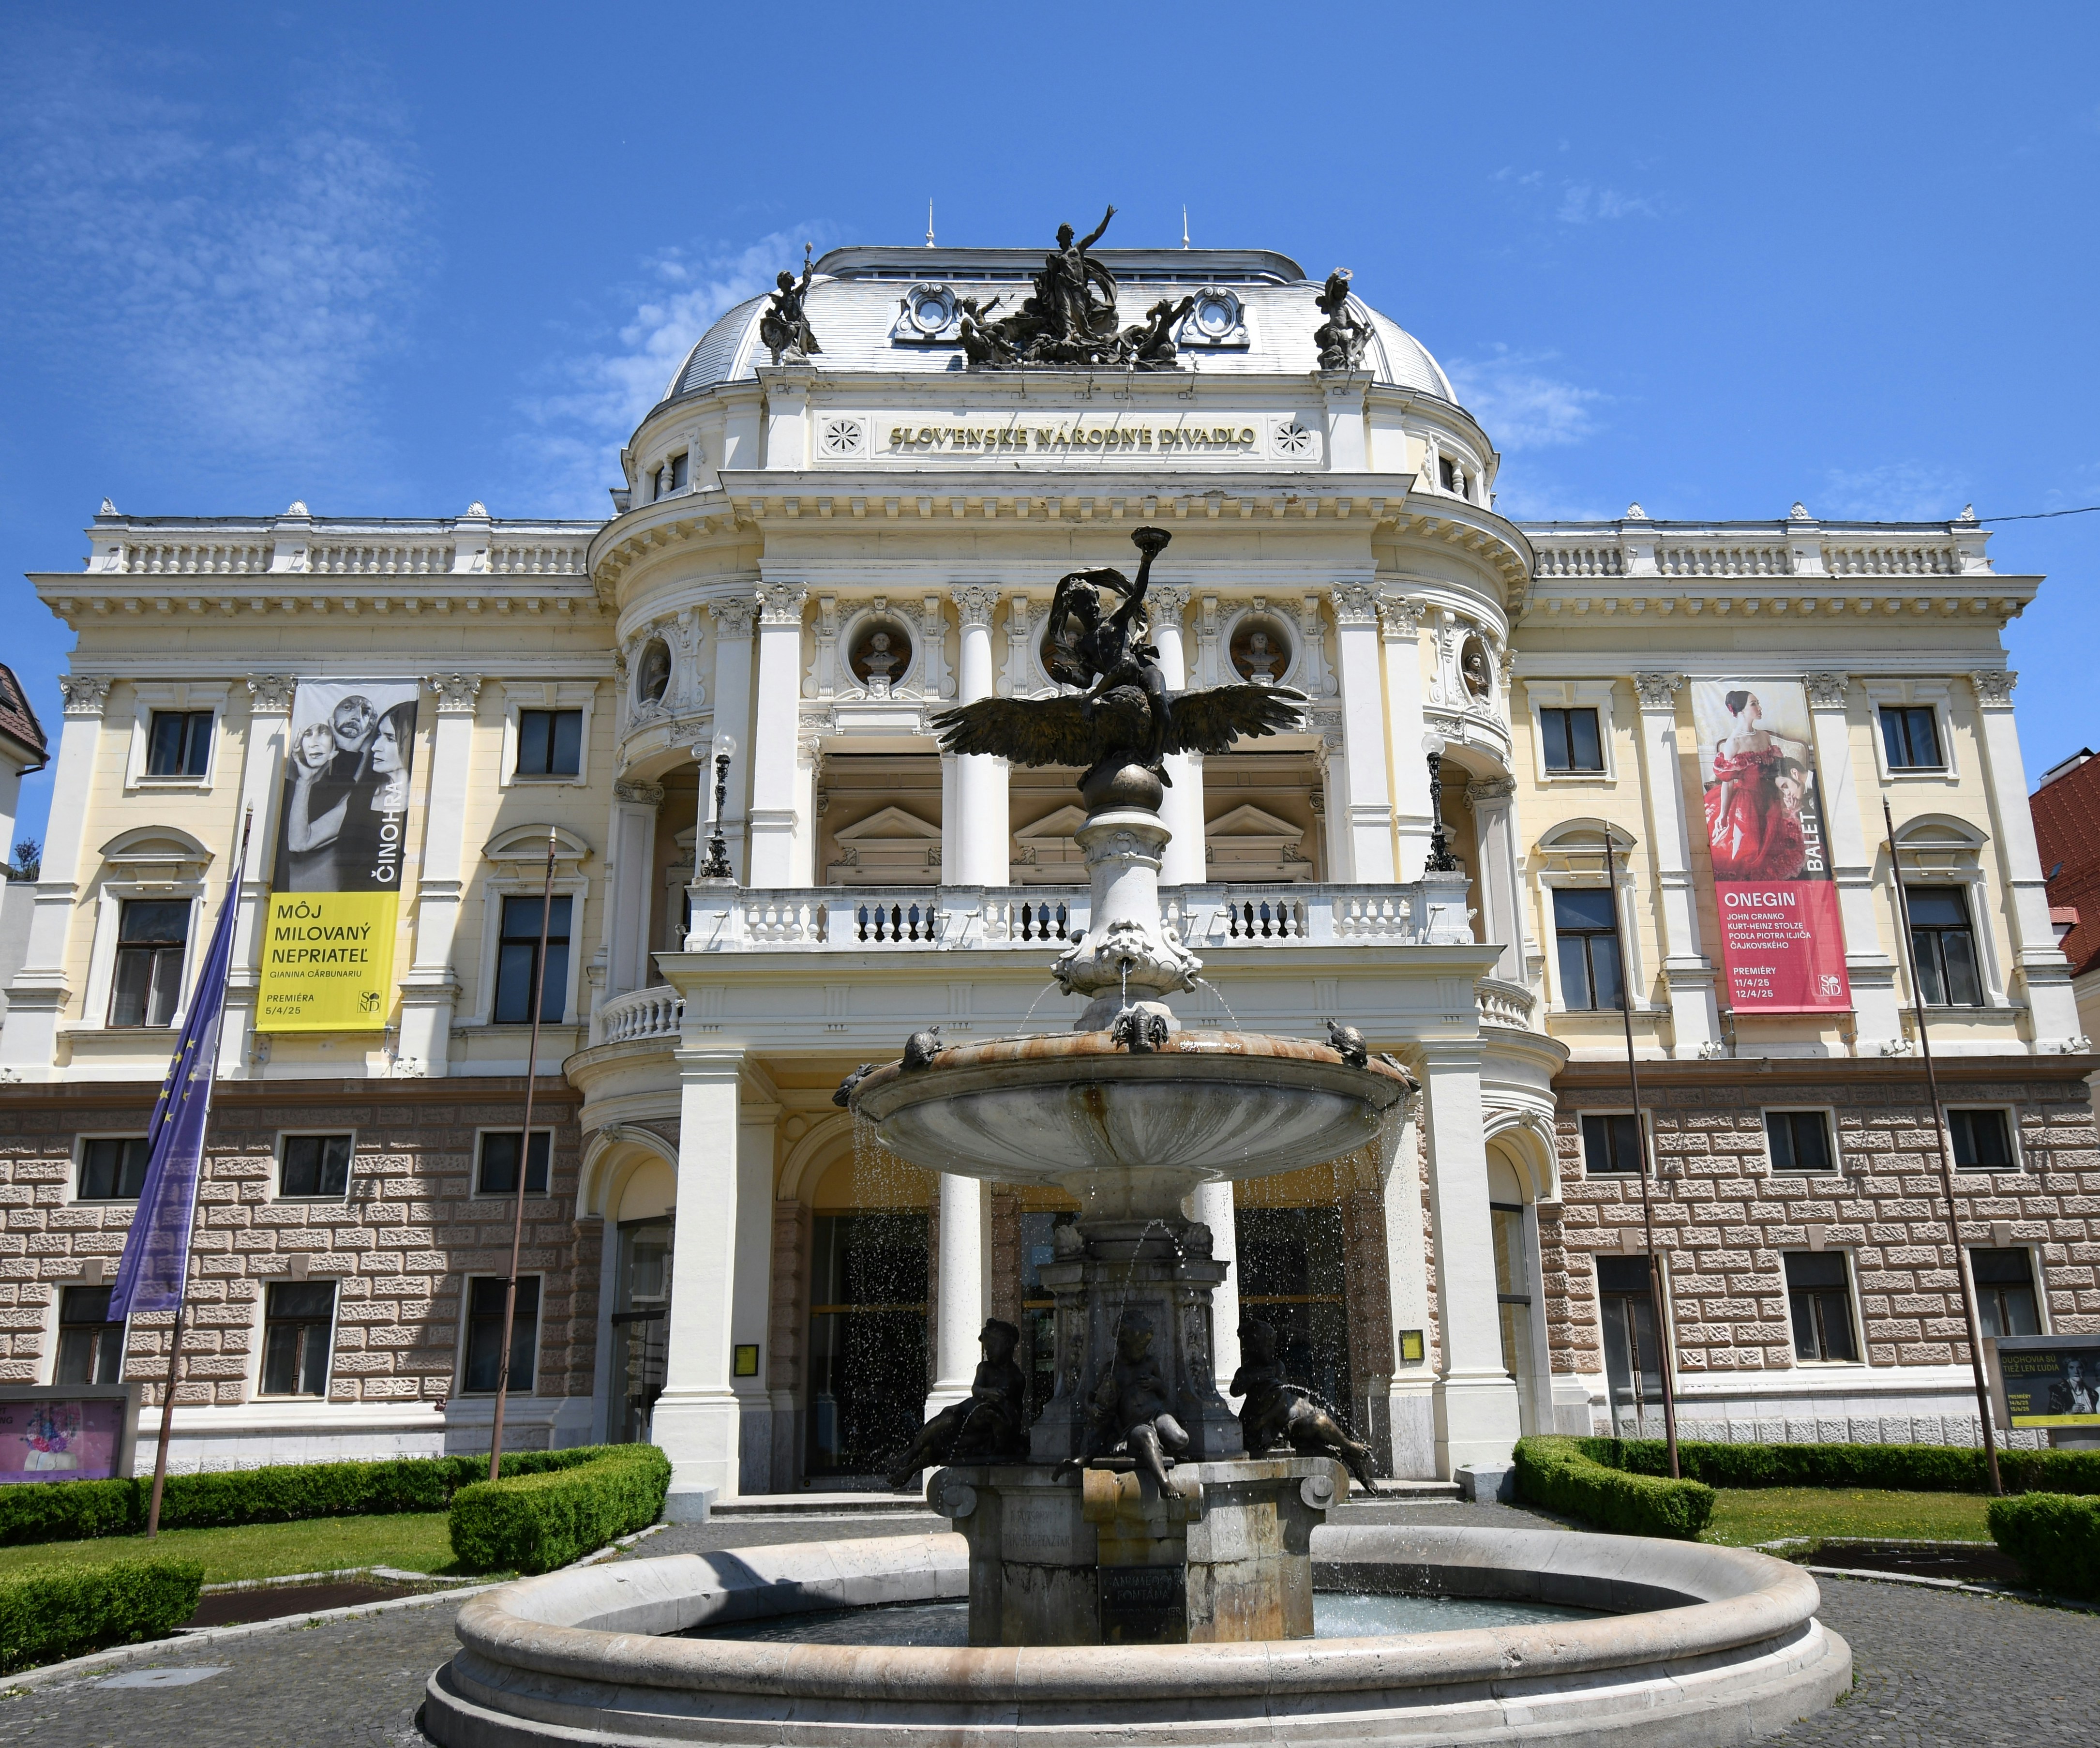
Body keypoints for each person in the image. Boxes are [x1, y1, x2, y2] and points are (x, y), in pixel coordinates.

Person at [883, 1319, 1029, 1488]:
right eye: (986, 1349)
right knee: (947, 1421)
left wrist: (1010, 1426)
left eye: (991, 1347)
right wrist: (987, 1393)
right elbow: (976, 1389)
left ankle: (910, 1470)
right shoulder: (985, 1368)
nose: (988, 1352)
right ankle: (913, 1451)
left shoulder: (1018, 1378)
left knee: (945, 1447)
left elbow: (1018, 1409)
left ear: (1008, 1344)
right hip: (966, 1413)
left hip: (987, 1426)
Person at [1703, 690, 1807, 880]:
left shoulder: (1764, 737)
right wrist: (1723, 815)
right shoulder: (1733, 743)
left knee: (1782, 841)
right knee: (1748, 853)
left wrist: (1784, 791)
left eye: (1758, 703)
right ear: (1741, 711)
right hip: (1746, 802)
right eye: (1753, 704)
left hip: (1769, 796)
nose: (1759, 708)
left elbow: (1773, 771)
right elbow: (1728, 782)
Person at [331, 700, 416, 887]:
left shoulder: (428, 804)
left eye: (390, 738)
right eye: (378, 735)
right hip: (354, 905)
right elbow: (300, 843)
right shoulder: (361, 798)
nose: (375, 746)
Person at [279, 719, 351, 891]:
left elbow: (298, 843)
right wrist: (304, 781)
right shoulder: (284, 787)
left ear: (334, 752)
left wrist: (305, 781)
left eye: (324, 734)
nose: (315, 743)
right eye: (308, 734)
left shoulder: (346, 788)